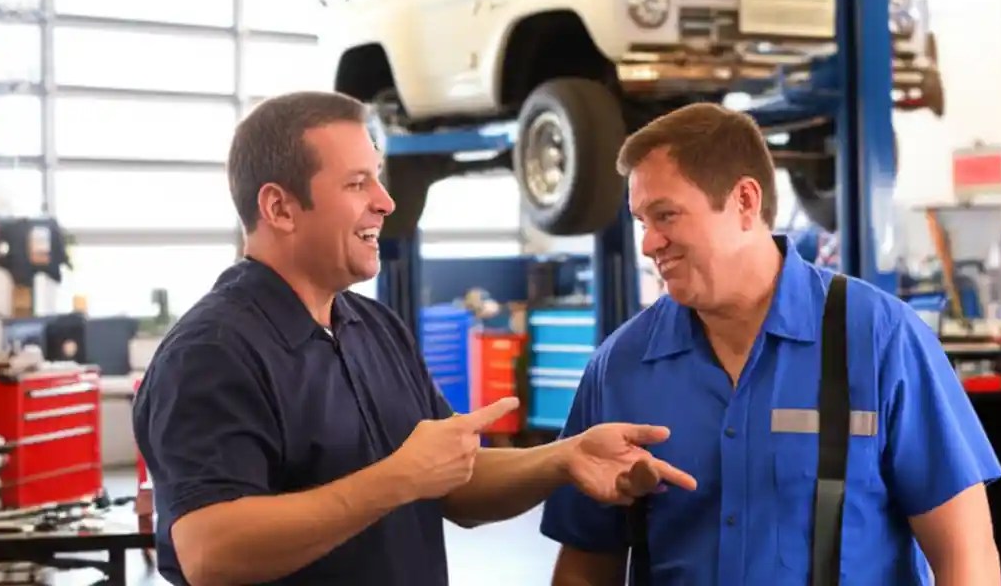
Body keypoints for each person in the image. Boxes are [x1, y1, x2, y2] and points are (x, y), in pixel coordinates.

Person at [131, 91, 696, 586]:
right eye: (357, 183)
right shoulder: (212, 353)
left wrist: (563, 458)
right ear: (279, 207)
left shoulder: (371, 327)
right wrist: (397, 479)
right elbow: (211, 551)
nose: (386, 201)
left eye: (377, 177)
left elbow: (454, 481)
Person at [540, 102, 1001, 585]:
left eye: (666, 216)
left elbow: (965, 555)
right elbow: (586, 568)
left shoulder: (881, 339)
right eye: (642, 221)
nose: (648, 243)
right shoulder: (621, 367)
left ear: (745, 201)